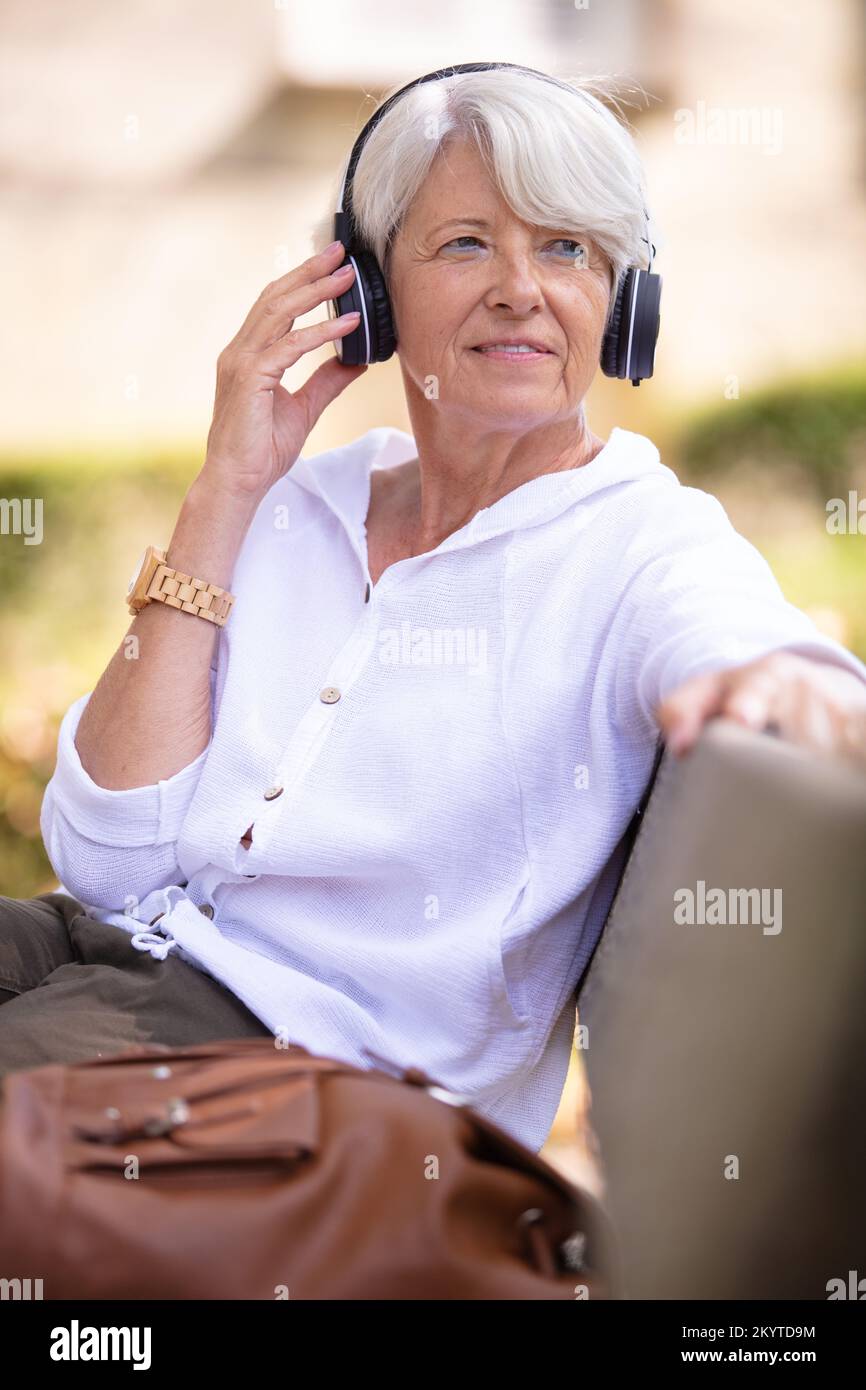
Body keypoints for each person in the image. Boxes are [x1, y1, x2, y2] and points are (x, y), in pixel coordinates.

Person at [4, 65, 865, 1154]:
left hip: (310, 1072)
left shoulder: (642, 540)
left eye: (565, 247)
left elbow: (755, 650)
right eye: (465, 243)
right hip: (116, 951)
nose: (519, 287)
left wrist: (782, 686)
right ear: (365, 294)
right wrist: (225, 486)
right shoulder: (296, 502)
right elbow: (106, 860)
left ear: (621, 300)